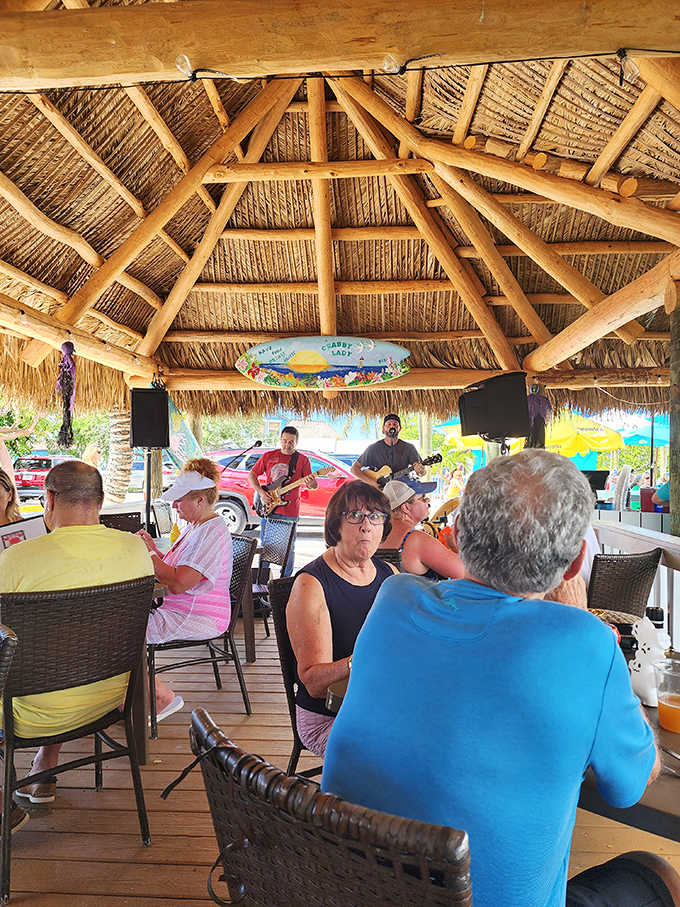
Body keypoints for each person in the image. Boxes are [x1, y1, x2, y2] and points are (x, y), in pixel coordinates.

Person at [322, 450, 677, 907]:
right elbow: (632, 784)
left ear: (457, 536)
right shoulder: (586, 643)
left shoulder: (394, 597)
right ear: (574, 565)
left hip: (347, 887)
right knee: (657, 871)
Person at [0, 460, 153, 822]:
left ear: (48, 500)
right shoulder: (135, 551)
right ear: (99, 501)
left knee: (35, 665)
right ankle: (44, 769)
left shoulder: (15, 560)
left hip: (28, 715)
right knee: (59, 655)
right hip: (108, 697)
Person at [286, 480, 397, 758]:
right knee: (402, 758)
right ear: (336, 526)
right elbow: (313, 683)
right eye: (355, 515)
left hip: (381, 705)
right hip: (329, 717)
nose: (366, 525)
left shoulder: (391, 576)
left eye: (375, 516)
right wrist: (359, 659)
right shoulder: (312, 584)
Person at [137, 457, 233, 721]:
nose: (174, 505)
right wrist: (155, 550)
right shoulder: (197, 527)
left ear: (200, 500)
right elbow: (174, 568)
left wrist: (150, 556)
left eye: (180, 500)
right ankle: (134, 696)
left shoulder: (211, 531)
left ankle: (159, 697)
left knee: (122, 632)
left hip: (198, 616)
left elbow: (179, 582)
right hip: (181, 610)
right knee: (117, 625)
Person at [248, 426, 318, 577]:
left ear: (297, 442)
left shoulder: (302, 460)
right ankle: (262, 578)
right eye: (285, 441)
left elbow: (312, 485)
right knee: (265, 546)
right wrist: (261, 492)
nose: (287, 445)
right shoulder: (268, 456)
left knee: (288, 548)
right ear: (280, 440)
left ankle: (284, 582)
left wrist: (312, 483)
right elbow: (252, 474)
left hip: (290, 512)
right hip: (270, 508)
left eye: (291, 442)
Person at [381, 477, 464, 581]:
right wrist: (456, 548)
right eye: (423, 498)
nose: (428, 500)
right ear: (406, 508)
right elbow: (464, 572)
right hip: (413, 597)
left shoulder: (377, 532)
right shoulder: (417, 540)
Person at [351, 414, 425, 488]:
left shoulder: (409, 448)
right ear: (383, 428)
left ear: (400, 428)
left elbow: (421, 473)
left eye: (395, 424)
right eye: (388, 424)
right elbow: (354, 469)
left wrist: (421, 471)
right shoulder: (373, 449)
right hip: (379, 492)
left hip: (402, 490)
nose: (392, 426)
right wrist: (369, 481)